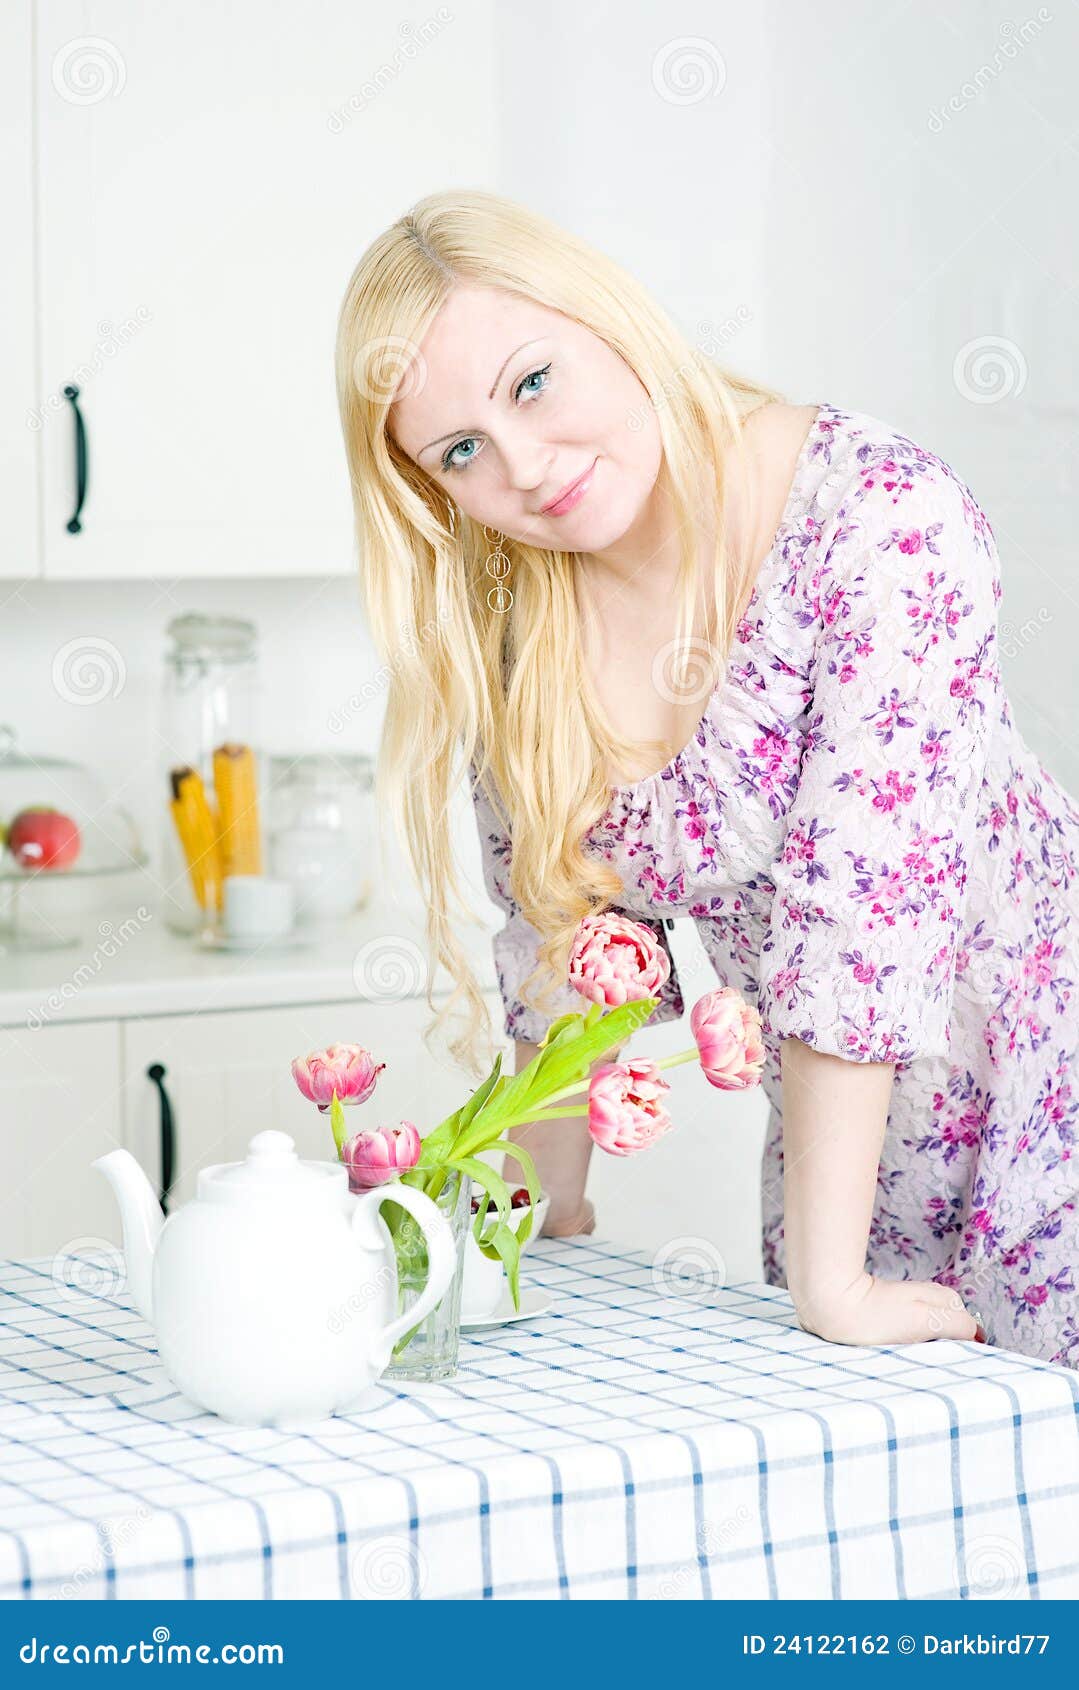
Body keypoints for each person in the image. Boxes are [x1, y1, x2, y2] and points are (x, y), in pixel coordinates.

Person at [334, 187, 1079, 1367]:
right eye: (460, 452)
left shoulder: (877, 516)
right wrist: (539, 1232)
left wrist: (829, 1283)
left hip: (1049, 1123)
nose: (524, 467)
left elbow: (861, 922)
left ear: (610, 320)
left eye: (531, 382)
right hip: (845, 1174)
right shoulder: (523, 636)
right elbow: (563, 957)